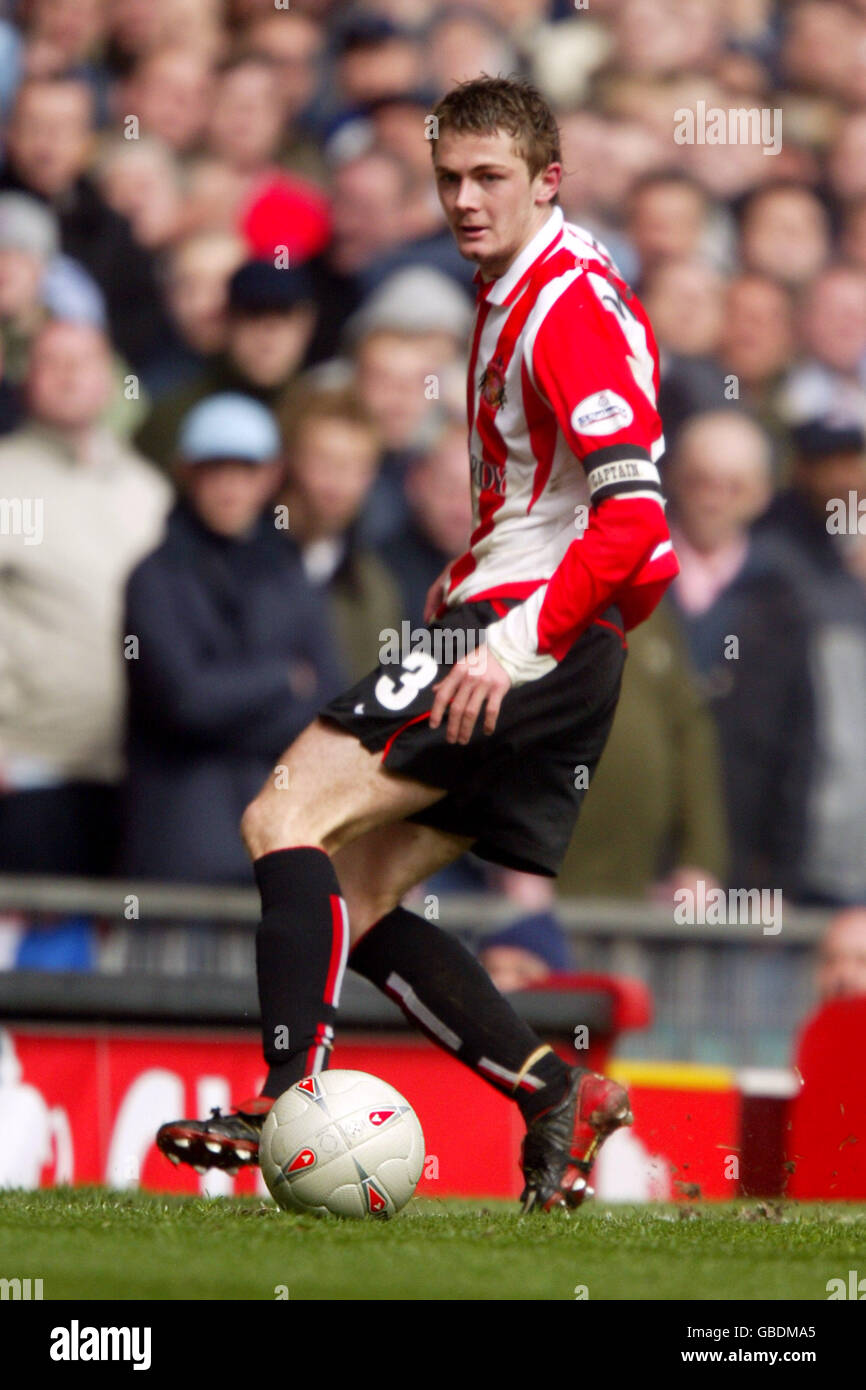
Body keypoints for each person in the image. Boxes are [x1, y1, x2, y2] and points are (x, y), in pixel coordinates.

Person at [156, 76, 679, 1214]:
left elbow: (635, 516)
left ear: (548, 181)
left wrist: (510, 641)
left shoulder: (569, 306)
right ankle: (552, 1093)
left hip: (520, 637)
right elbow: (571, 516)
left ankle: (283, 1103)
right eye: (448, 177)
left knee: (281, 815)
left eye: (490, 177)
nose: (463, 199)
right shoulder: (522, 286)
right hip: (553, 634)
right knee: (358, 888)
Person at [120, 394, 344, 884]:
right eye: (214, 469)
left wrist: (229, 700)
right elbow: (184, 700)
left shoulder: (289, 573)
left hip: (277, 839)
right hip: (181, 845)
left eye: (245, 469)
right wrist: (283, 681)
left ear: (270, 476)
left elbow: (328, 703)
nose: (230, 486)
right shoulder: (155, 576)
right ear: (187, 473)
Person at [0, 320, 170, 875]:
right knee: (31, 951)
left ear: (110, 378)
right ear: (28, 379)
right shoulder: (7, 479)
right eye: (54, 361)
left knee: (111, 952)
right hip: (27, 768)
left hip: (131, 774)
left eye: (85, 360)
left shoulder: (147, 489)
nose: (71, 375)